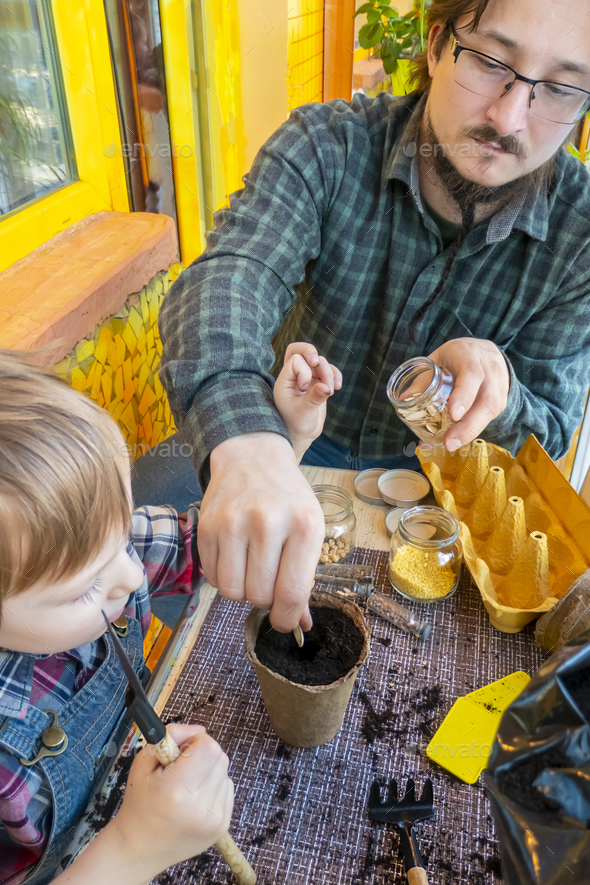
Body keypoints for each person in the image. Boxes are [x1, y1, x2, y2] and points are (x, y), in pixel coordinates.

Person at [136, 0, 590, 638]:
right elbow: (229, 278)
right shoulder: (325, 146)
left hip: (442, 491)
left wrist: (503, 389)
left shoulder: (582, 234)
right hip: (292, 441)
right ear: (435, 46)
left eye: (562, 88)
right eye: (490, 62)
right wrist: (249, 449)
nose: (509, 116)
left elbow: (548, 425)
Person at [0, 344, 339, 885]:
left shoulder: (94, 557)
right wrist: (134, 848)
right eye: (86, 588)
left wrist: (283, 450)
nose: (132, 576)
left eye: (120, 538)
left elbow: (205, 542)